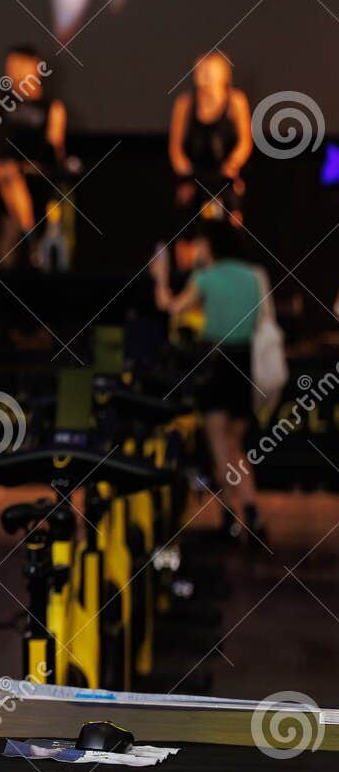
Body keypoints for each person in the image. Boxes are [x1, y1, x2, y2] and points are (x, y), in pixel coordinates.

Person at [150, 222, 266, 542]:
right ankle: (252, 509)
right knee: (236, 445)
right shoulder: (252, 276)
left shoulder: (206, 277)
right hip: (245, 364)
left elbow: (170, 307)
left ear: (210, 244)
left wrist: (160, 278)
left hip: (216, 363)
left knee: (219, 448)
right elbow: (258, 319)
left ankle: (230, 514)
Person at [0, 44, 67, 266]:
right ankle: (31, 237)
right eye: (11, 67)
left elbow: (55, 150)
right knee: (8, 171)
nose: (15, 72)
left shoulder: (52, 107)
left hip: (35, 173)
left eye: (21, 66)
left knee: (10, 228)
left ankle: (25, 234)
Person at [168, 50, 252, 218]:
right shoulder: (184, 104)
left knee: (230, 214)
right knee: (189, 213)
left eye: (209, 69)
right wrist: (186, 174)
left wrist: (231, 166)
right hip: (194, 176)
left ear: (223, 74)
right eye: (200, 69)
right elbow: (175, 148)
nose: (204, 74)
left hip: (225, 177)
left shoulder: (236, 101)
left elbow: (245, 143)